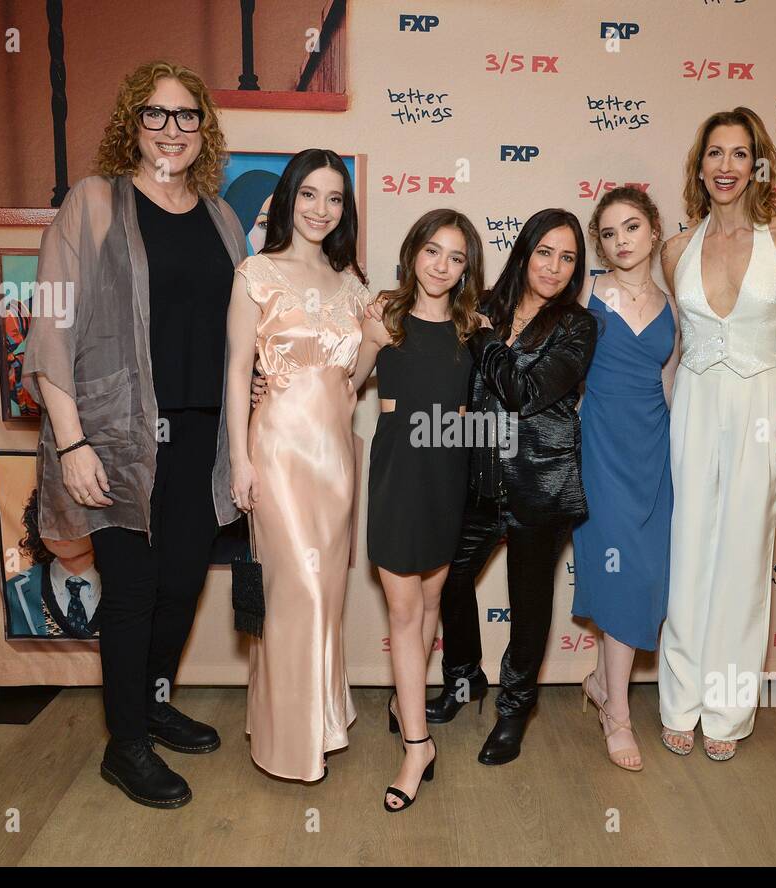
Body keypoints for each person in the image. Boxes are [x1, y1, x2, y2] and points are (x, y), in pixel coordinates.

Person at [22, 61, 247, 808]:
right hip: (115, 436)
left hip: (201, 434)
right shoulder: (91, 203)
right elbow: (50, 330)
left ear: (203, 130)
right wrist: (72, 442)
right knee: (131, 592)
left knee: (181, 585)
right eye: (156, 113)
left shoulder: (221, 216)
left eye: (186, 116)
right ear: (133, 122)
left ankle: (150, 704)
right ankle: (125, 747)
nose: (171, 129)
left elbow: (241, 333)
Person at [658, 107, 776, 761]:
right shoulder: (676, 248)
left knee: (743, 560)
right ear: (699, 164)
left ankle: (727, 711)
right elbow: (677, 348)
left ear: (758, 164)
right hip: (695, 406)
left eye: (739, 154)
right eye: (715, 153)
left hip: (761, 403)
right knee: (688, 556)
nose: (726, 167)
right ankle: (678, 702)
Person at [425, 209, 597, 766]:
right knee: (448, 580)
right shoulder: (486, 305)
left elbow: (524, 392)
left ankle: (515, 708)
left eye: (567, 257)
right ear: (524, 251)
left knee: (528, 606)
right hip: (478, 477)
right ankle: (462, 678)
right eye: (544, 252)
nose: (553, 266)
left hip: (540, 483)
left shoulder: (577, 326)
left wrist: (483, 338)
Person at [224, 148, 373, 783]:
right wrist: (239, 459)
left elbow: (352, 382)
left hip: (336, 461)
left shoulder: (354, 285)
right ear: (288, 199)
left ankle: (319, 718)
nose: (320, 209)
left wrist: (375, 342)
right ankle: (290, 742)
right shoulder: (254, 274)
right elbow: (235, 371)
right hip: (277, 453)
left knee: (327, 596)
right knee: (296, 595)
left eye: (334, 198)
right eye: (309, 194)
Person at [350, 209, 484, 811]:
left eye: (456, 258)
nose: (442, 266)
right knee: (406, 612)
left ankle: (407, 703)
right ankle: (417, 745)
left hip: (446, 474)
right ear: (413, 251)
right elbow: (344, 384)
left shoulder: (471, 328)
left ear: (466, 270)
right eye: (434, 251)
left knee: (430, 602)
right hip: (399, 475)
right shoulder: (385, 317)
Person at [573, 187, 679, 771]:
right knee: (617, 572)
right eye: (609, 233)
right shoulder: (585, 292)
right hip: (600, 449)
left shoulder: (678, 305)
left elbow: (670, 385)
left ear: (655, 228)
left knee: (645, 578)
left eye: (631, 227)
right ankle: (618, 715)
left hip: (653, 452)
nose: (620, 242)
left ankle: (600, 681)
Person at [4, 489, 101, 640]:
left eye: (73, 516)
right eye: (48, 516)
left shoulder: (128, 585)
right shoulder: (14, 590)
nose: (58, 528)